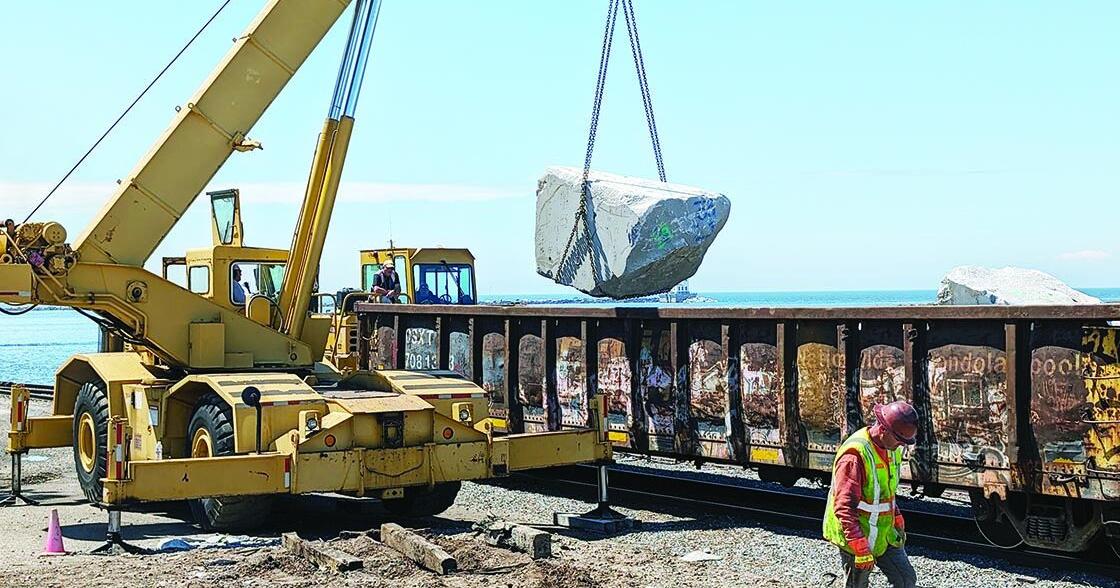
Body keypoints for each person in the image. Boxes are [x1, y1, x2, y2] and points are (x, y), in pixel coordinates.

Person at [822, 400, 919, 588]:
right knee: (857, 585)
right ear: (883, 430)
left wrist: (896, 517)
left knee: (906, 579)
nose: (901, 445)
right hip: (856, 534)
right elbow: (844, 506)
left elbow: (885, 490)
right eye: (899, 439)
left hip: (882, 532)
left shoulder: (891, 449)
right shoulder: (855, 455)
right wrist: (859, 547)